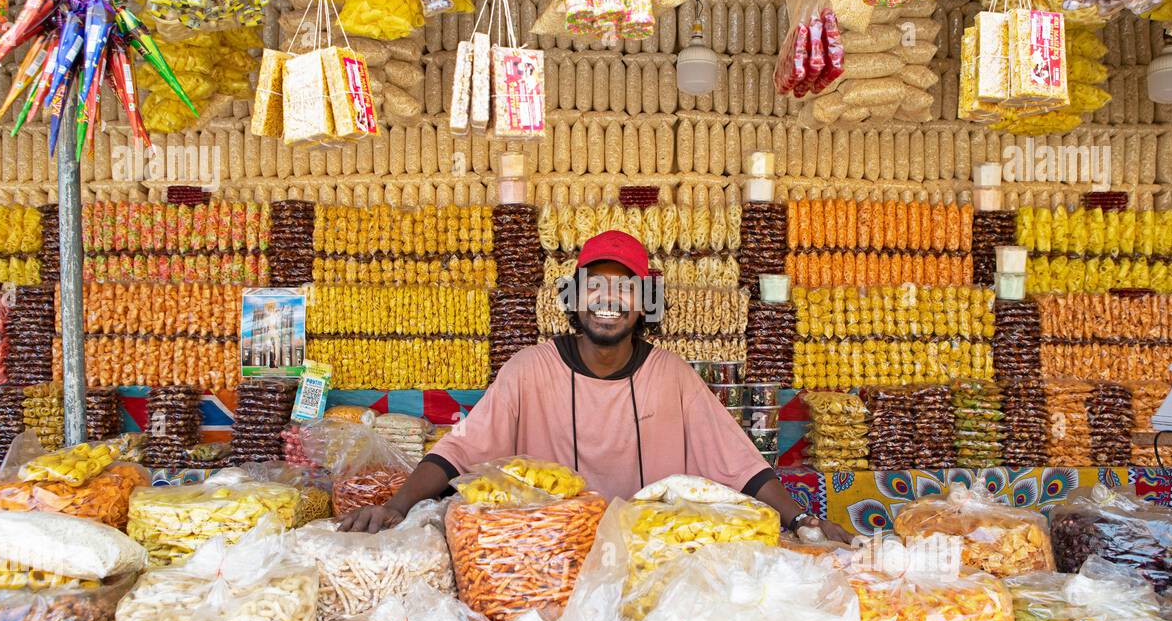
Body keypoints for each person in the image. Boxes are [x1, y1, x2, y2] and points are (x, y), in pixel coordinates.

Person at [341, 230, 848, 541]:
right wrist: (396, 506)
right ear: (574, 297)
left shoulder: (672, 375)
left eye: (626, 287)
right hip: (548, 550)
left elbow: (739, 463)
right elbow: (460, 451)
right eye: (595, 285)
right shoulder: (528, 369)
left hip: (648, 553)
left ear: (646, 302)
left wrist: (802, 520)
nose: (610, 299)